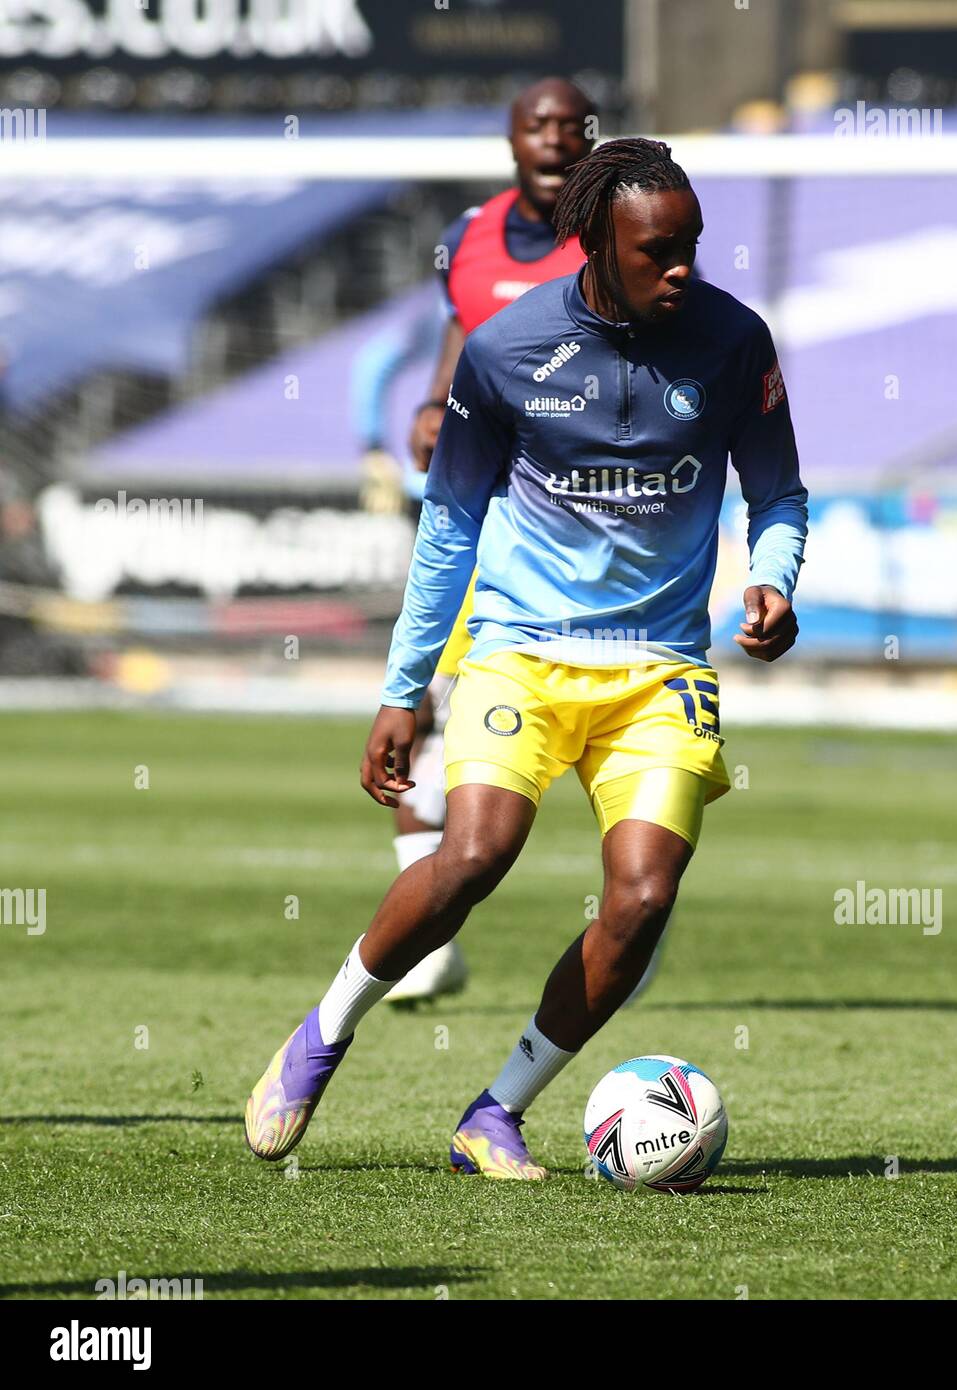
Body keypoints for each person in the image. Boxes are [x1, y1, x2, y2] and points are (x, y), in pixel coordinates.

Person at [245, 137, 808, 1180]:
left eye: (690, 244)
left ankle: (493, 1112)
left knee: (641, 900)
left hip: (660, 670)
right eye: (658, 249)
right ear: (597, 241)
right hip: (522, 654)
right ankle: (323, 1034)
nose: (682, 265)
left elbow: (777, 495)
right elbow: (449, 525)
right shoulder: (505, 351)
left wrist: (775, 577)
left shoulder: (735, 341)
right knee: (473, 857)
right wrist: (402, 690)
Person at [367, 76, 597, 1003]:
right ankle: (426, 944)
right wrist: (434, 402)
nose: (553, 138)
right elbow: (464, 330)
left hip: (594, 523)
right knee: (425, 703)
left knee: (600, 725)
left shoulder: (620, 235)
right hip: (485, 512)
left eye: (569, 124)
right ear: (510, 138)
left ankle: (633, 911)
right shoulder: (467, 236)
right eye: (536, 124)